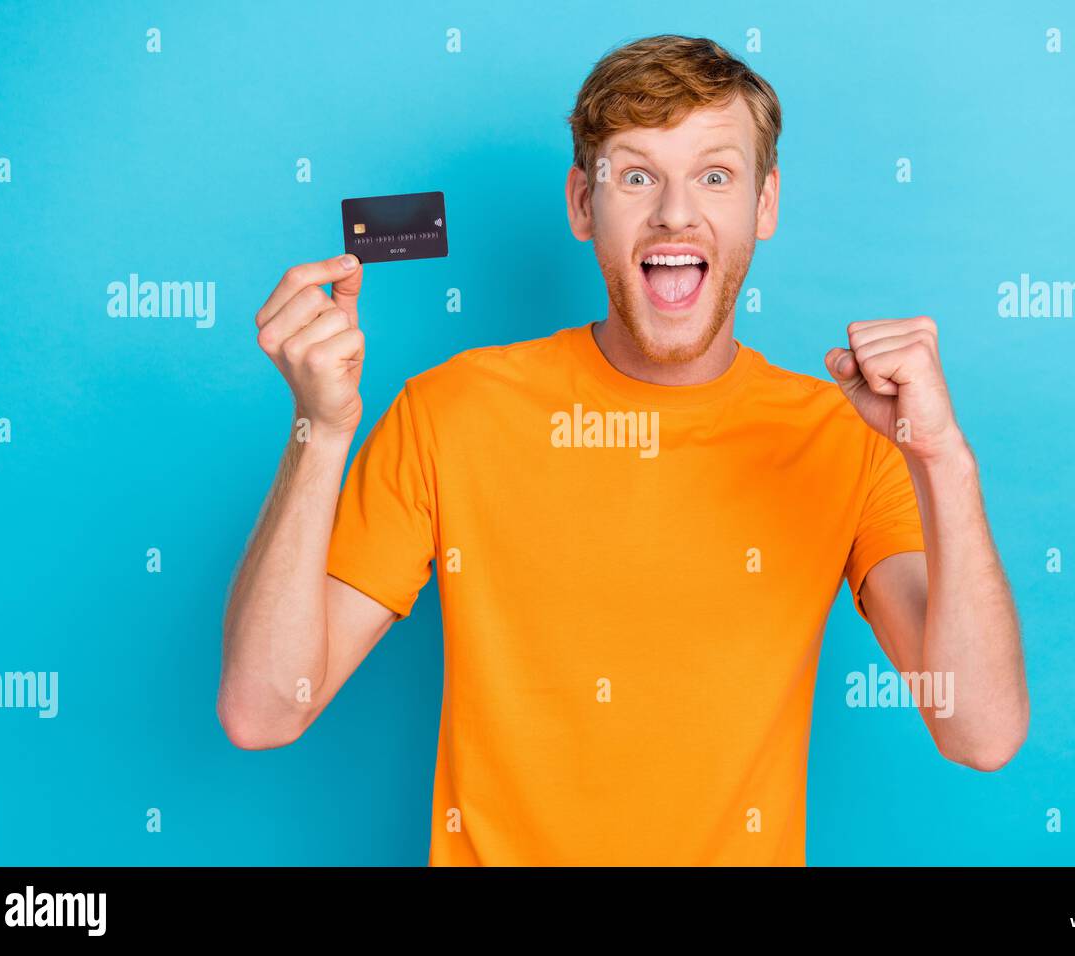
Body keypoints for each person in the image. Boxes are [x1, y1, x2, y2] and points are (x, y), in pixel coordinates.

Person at [218, 34, 1029, 866]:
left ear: (766, 204)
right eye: (635, 176)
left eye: (716, 176)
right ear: (582, 204)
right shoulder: (450, 412)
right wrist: (320, 430)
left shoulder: (846, 441)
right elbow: (265, 711)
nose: (676, 212)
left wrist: (944, 462)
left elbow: (982, 732)